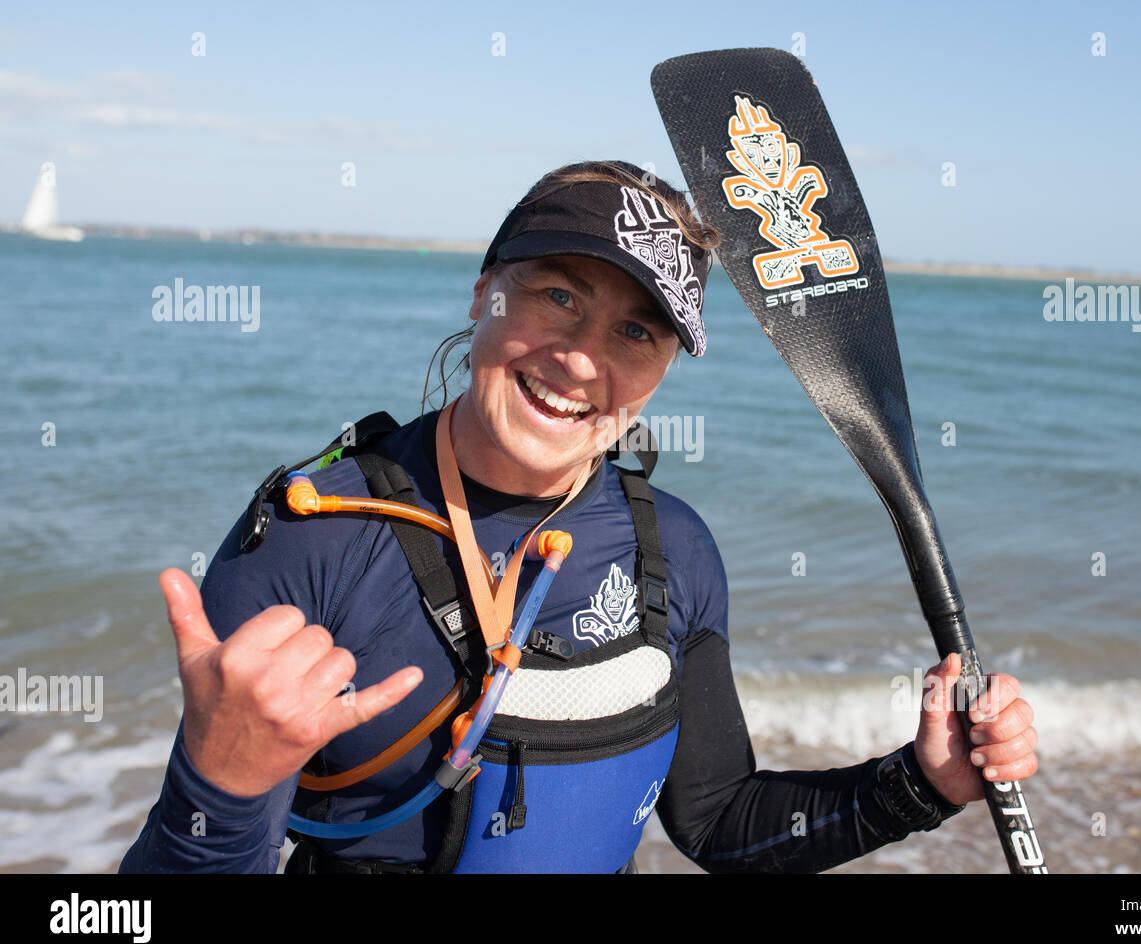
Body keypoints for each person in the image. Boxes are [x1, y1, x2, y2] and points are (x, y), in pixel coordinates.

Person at [120, 161, 1038, 874]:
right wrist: (222, 788)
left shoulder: (671, 549)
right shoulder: (313, 534)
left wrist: (920, 784)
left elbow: (719, 819)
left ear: (665, 366)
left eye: (636, 331)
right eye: (559, 296)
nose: (582, 360)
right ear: (484, 291)